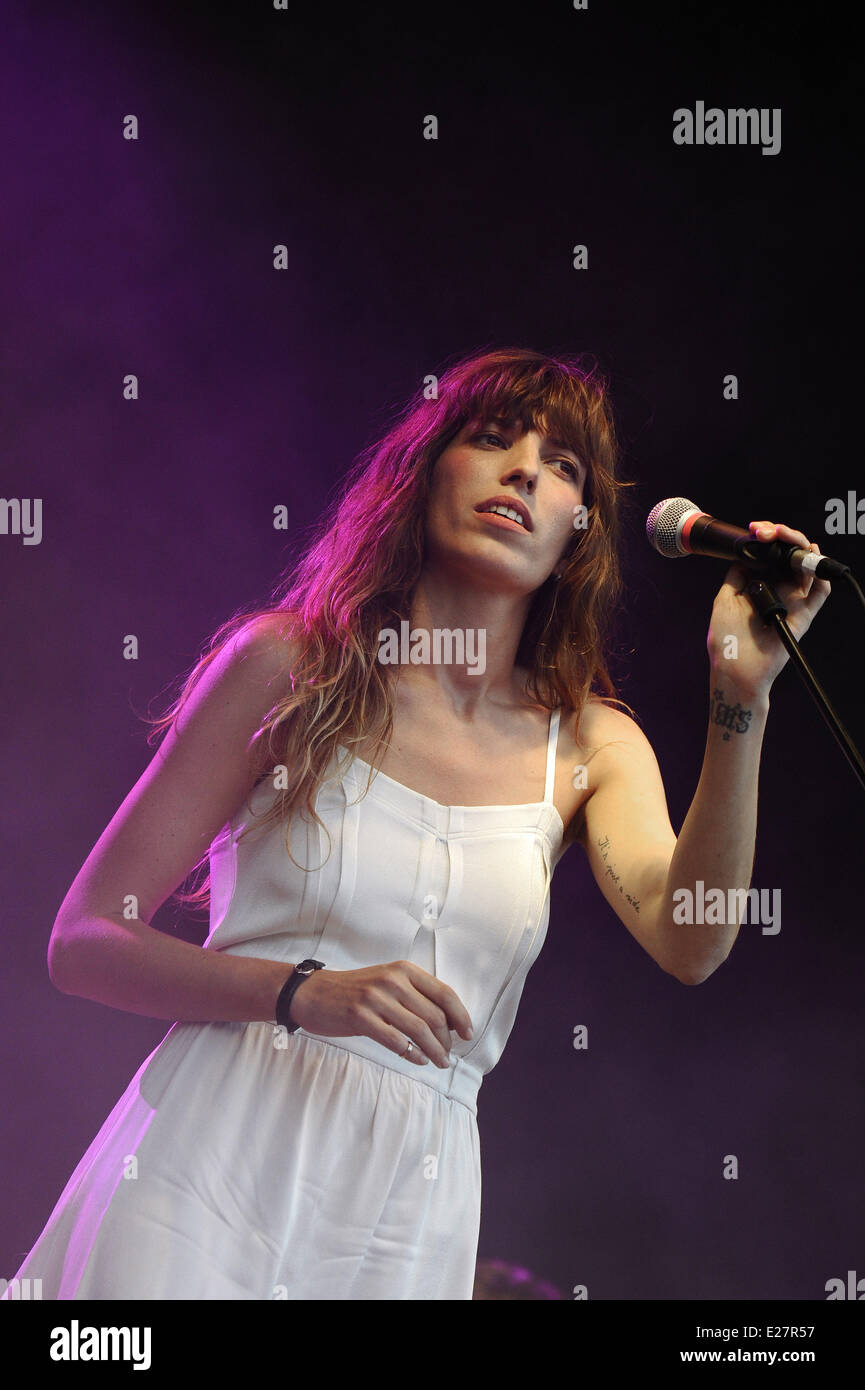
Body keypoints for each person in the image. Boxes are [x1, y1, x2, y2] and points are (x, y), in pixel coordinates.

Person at [2, 347, 830, 1301]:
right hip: (205, 1165)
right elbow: (85, 940)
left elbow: (692, 942)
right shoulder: (289, 666)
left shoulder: (590, 744)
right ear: (424, 472)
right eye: (493, 439)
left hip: (405, 1216)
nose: (523, 471)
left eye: (560, 464)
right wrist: (300, 991)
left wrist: (740, 695)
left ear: (579, 531)